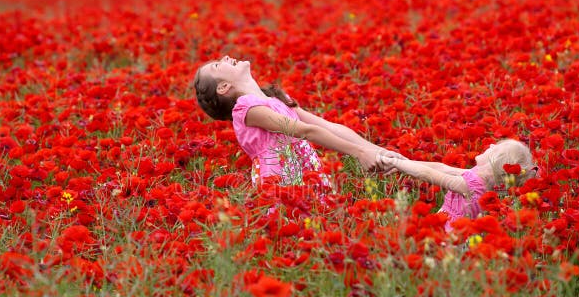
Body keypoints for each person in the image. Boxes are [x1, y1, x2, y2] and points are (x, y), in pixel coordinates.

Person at [193, 55, 396, 187]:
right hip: (282, 187)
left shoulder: (275, 99)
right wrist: (359, 153)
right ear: (223, 87)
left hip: (307, 179)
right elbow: (305, 131)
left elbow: (328, 127)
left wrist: (377, 151)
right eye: (219, 64)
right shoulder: (247, 110)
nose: (226, 57)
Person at [378, 139, 537, 227]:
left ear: (494, 161)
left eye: (495, 148)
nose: (491, 144)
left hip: (452, 236)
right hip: (444, 224)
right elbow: (442, 167)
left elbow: (428, 174)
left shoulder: (472, 187)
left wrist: (395, 163)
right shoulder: (475, 176)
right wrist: (405, 162)